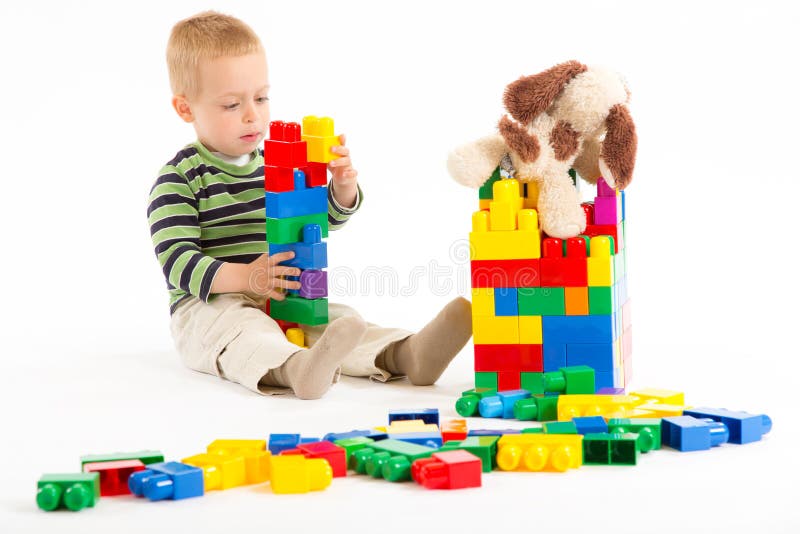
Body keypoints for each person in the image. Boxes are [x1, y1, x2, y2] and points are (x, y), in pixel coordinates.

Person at [147, 11, 472, 399]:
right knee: (246, 332)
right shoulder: (180, 179)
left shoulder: (278, 164)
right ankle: (297, 369)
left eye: (261, 97)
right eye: (232, 104)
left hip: (282, 291)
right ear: (186, 109)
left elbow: (319, 221)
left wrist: (343, 185)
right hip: (210, 305)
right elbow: (179, 264)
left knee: (340, 320)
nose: (253, 114)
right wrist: (245, 278)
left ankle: (405, 353)